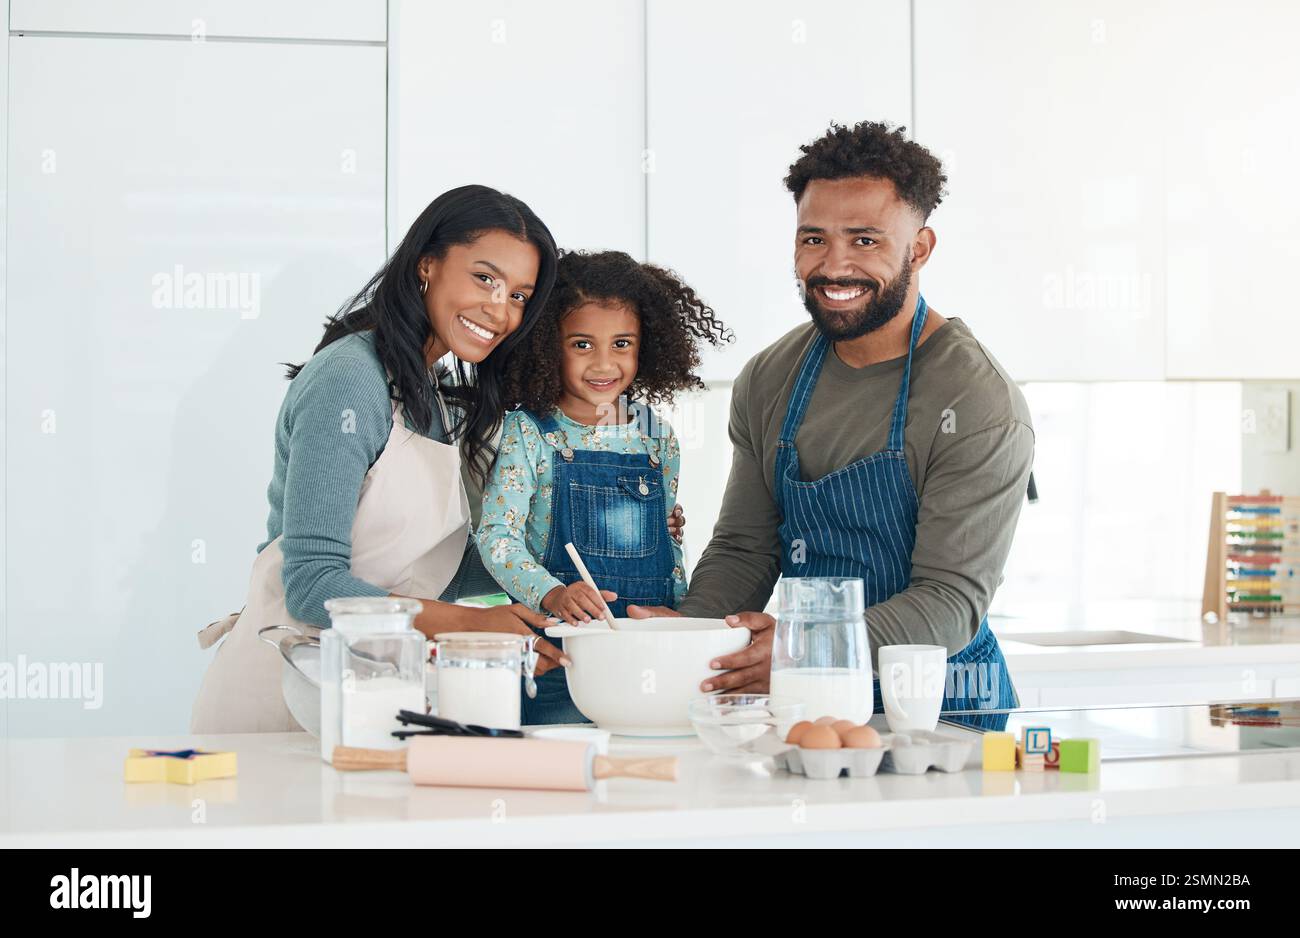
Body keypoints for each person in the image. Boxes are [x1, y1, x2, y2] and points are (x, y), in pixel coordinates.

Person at [631, 122, 1034, 731]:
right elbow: (747, 548)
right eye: (813, 238)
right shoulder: (770, 378)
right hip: (805, 705)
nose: (834, 264)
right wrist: (691, 636)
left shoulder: (977, 401)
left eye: (865, 240)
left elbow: (950, 603)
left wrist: (801, 648)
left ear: (920, 249)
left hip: (939, 712)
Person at [191, 184, 570, 733]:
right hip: (286, 700)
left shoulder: (430, 393)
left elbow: (428, 569)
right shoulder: (351, 380)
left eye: (518, 296)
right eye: (485, 278)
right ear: (427, 265)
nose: (499, 309)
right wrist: (471, 626)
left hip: (367, 694)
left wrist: (558, 543)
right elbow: (314, 586)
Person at [478, 250, 731, 723]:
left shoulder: (658, 437)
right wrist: (551, 593)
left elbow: (668, 550)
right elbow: (496, 537)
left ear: (646, 347)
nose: (603, 363)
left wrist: (684, 616)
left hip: (651, 655)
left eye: (621, 344)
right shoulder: (529, 433)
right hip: (560, 658)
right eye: (581, 344)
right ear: (548, 346)